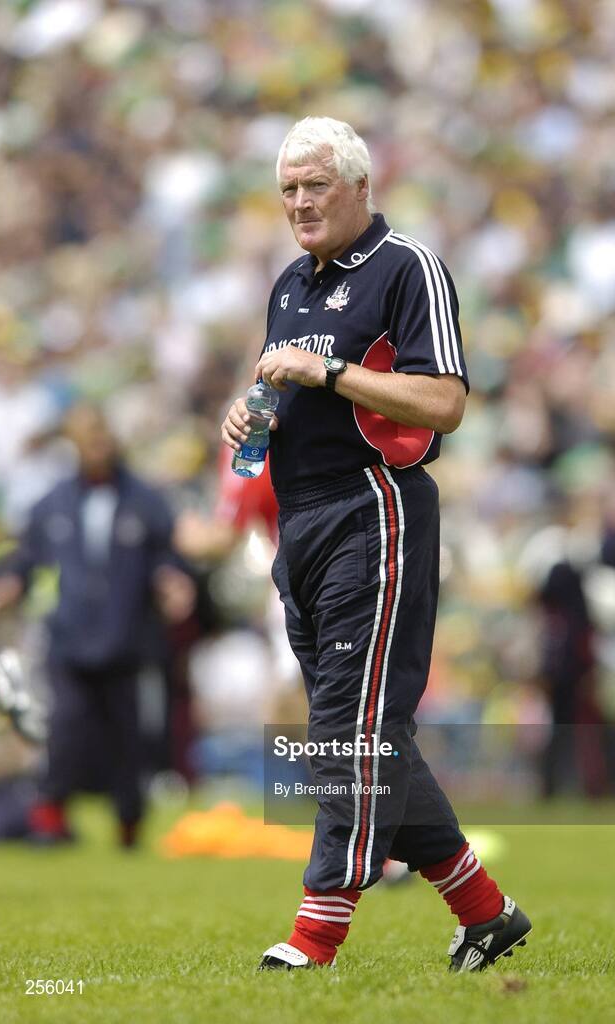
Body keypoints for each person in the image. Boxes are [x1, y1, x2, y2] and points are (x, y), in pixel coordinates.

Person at [220, 117, 531, 973]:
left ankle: (317, 936)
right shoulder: (288, 281)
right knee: (368, 733)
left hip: (376, 506)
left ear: (360, 185)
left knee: (346, 731)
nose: (298, 202)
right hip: (300, 516)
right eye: (287, 188)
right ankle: (485, 911)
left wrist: (326, 373)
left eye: (314, 184)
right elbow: (280, 383)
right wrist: (249, 411)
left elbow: (444, 402)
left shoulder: (408, 267)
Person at [0, 402, 196, 847]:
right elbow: (24, 559)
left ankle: (129, 822)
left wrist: (174, 581)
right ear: (75, 446)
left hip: (127, 636)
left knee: (128, 735)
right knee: (66, 729)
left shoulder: (146, 501)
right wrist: (5, 587)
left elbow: (167, 556)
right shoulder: (51, 504)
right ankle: (52, 820)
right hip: (70, 636)